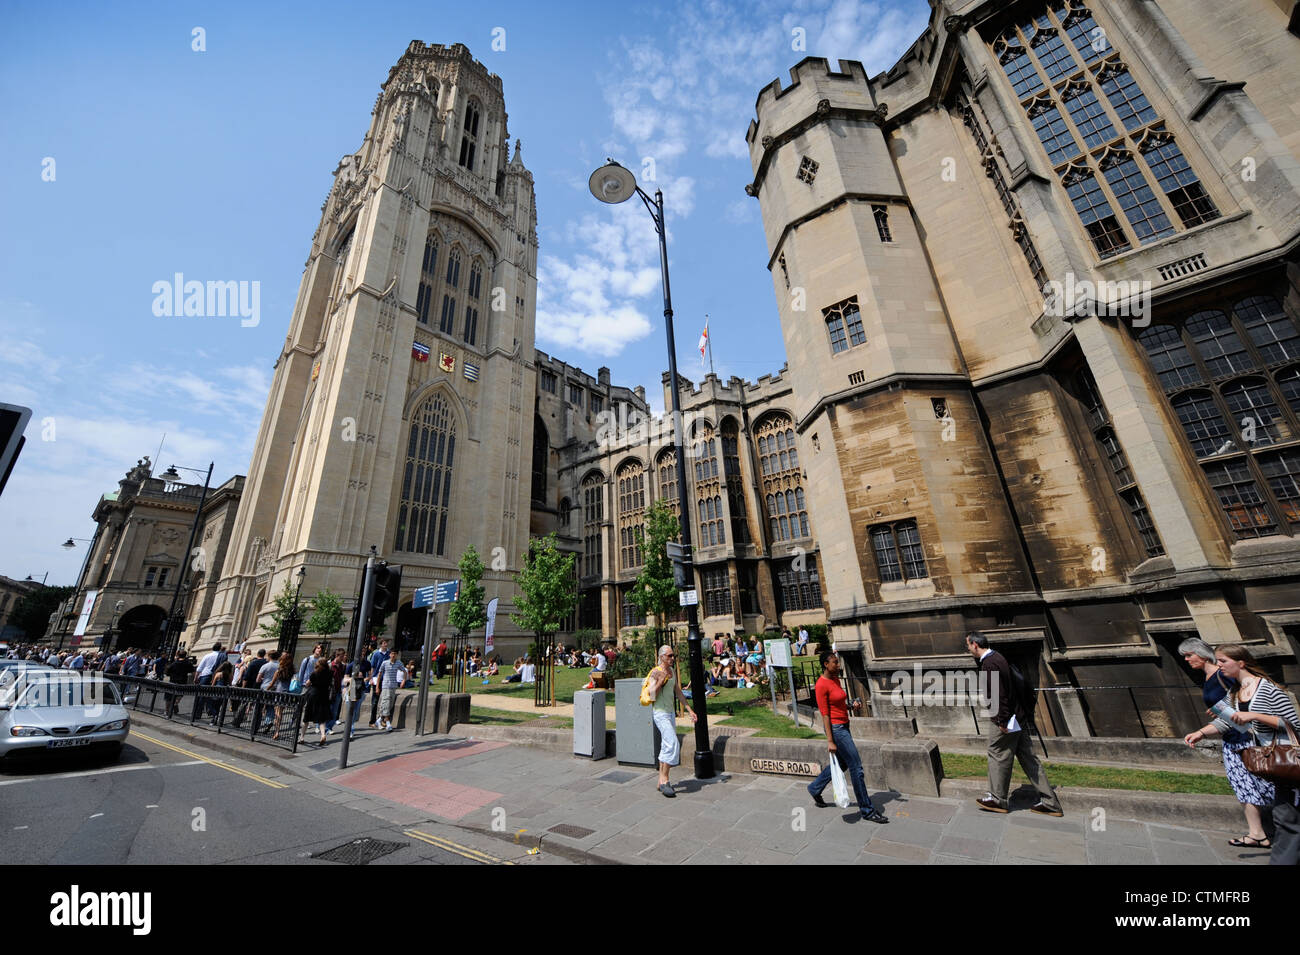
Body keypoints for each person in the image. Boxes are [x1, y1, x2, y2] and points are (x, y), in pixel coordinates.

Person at [1184, 643, 1300, 863]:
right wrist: (1201, 732)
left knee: (1286, 818)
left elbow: (1293, 724)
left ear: (1241, 663)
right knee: (1285, 817)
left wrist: (1254, 715)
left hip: (1286, 759)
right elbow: (1226, 722)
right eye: (1217, 661)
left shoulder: (1267, 689)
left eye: (1223, 661)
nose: (1219, 666)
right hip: (1268, 760)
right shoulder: (1234, 693)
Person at [1178, 637, 1272, 848]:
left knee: (1268, 783)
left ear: (1201, 654)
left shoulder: (1224, 676)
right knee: (1242, 785)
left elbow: (1246, 701)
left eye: (1189, 655)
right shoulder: (1210, 677)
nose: (1186, 659)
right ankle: (1257, 833)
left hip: (1249, 737)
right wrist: (1206, 727)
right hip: (1231, 738)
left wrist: (1225, 709)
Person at [966, 631, 1062, 816]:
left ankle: (997, 799)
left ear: (975, 645)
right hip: (1018, 717)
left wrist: (1002, 720)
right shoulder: (999, 657)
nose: (968, 649)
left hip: (1006, 719)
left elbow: (998, 695)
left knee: (997, 754)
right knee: (1029, 759)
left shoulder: (989, 663)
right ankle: (1050, 803)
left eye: (968, 645)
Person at [806, 650, 888, 823]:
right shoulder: (821, 685)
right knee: (856, 768)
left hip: (845, 724)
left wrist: (851, 706)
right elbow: (825, 714)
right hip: (837, 730)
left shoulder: (835, 679)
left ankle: (815, 788)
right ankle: (867, 810)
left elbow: (839, 703)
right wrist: (830, 740)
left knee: (843, 762)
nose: (838, 664)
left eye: (837, 661)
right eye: (835, 662)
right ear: (825, 665)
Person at [645, 645, 697, 798]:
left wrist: (689, 709)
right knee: (672, 742)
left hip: (670, 713)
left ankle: (660, 780)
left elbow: (678, 691)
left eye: (673, 655)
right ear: (662, 657)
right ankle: (665, 779)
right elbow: (652, 695)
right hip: (660, 713)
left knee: (666, 744)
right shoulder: (656, 672)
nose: (672, 658)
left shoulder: (672, 671)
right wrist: (661, 681)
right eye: (669, 656)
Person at [303, 658, 334, 745]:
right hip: (324, 696)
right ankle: (323, 735)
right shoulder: (330, 673)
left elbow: (307, 684)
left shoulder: (315, 673)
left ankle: (301, 737)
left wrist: (307, 683)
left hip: (313, 695)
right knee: (321, 718)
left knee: (307, 717)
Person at [377, 650, 405, 731]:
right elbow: (379, 674)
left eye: (395, 654)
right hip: (386, 686)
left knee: (390, 704)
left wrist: (403, 680)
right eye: (392, 653)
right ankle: (387, 722)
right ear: (389, 654)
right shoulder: (385, 663)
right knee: (386, 702)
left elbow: (404, 671)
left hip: (393, 686)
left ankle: (379, 720)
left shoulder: (398, 663)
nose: (393, 655)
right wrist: (377, 687)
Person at [368, 639, 390, 727]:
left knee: (385, 701)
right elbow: (372, 667)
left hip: (385, 678)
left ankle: (383, 719)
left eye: (386, 643)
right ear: (381, 645)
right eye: (384, 643)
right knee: (375, 701)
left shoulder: (389, 653)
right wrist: (371, 678)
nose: (386, 644)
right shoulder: (376, 654)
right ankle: (372, 721)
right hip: (377, 678)